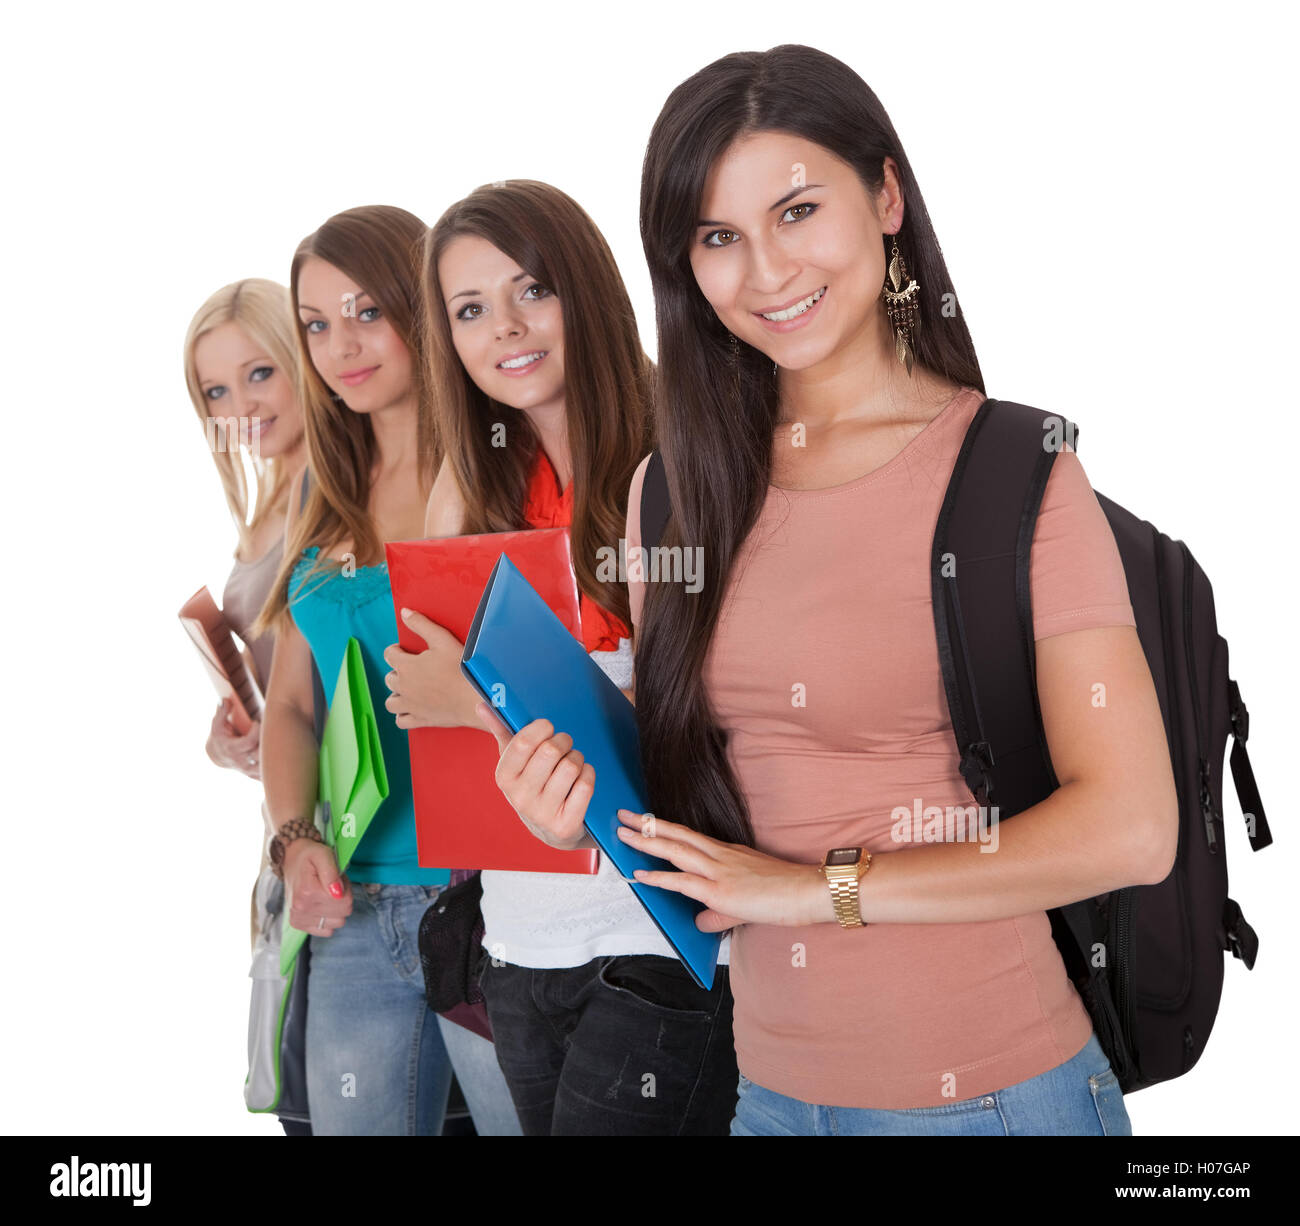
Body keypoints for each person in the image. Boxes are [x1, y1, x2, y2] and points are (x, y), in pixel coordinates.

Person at [475, 46, 1179, 1137]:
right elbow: (706, 811)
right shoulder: (672, 492)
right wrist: (573, 806)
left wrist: (819, 888)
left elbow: (1133, 826)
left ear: (886, 196)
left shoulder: (1012, 471)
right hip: (769, 1096)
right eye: (718, 237)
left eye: (797, 210)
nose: (764, 271)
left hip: (989, 1097)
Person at [382, 180, 740, 1135]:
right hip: (524, 944)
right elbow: (425, 687)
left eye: (531, 290)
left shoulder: (682, 456)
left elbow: (693, 716)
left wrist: (474, 699)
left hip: (658, 943)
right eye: (469, 311)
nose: (505, 328)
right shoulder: (478, 479)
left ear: (588, 290)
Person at [252, 204, 519, 1136]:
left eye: (367, 312)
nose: (340, 347)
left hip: (493, 898)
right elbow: (291, 704)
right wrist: (295, 837)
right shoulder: (318, 493)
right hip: (355, 905)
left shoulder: (498, 471)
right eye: (317, 324)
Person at [184, 278, 311, 1136]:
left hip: (358, 840)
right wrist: (243, 736)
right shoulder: (268, 501)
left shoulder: (335, 490)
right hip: (292, 835)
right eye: (216, 391)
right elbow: (296, 699)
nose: (241, 405)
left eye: (260, 373)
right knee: (298, 1098)